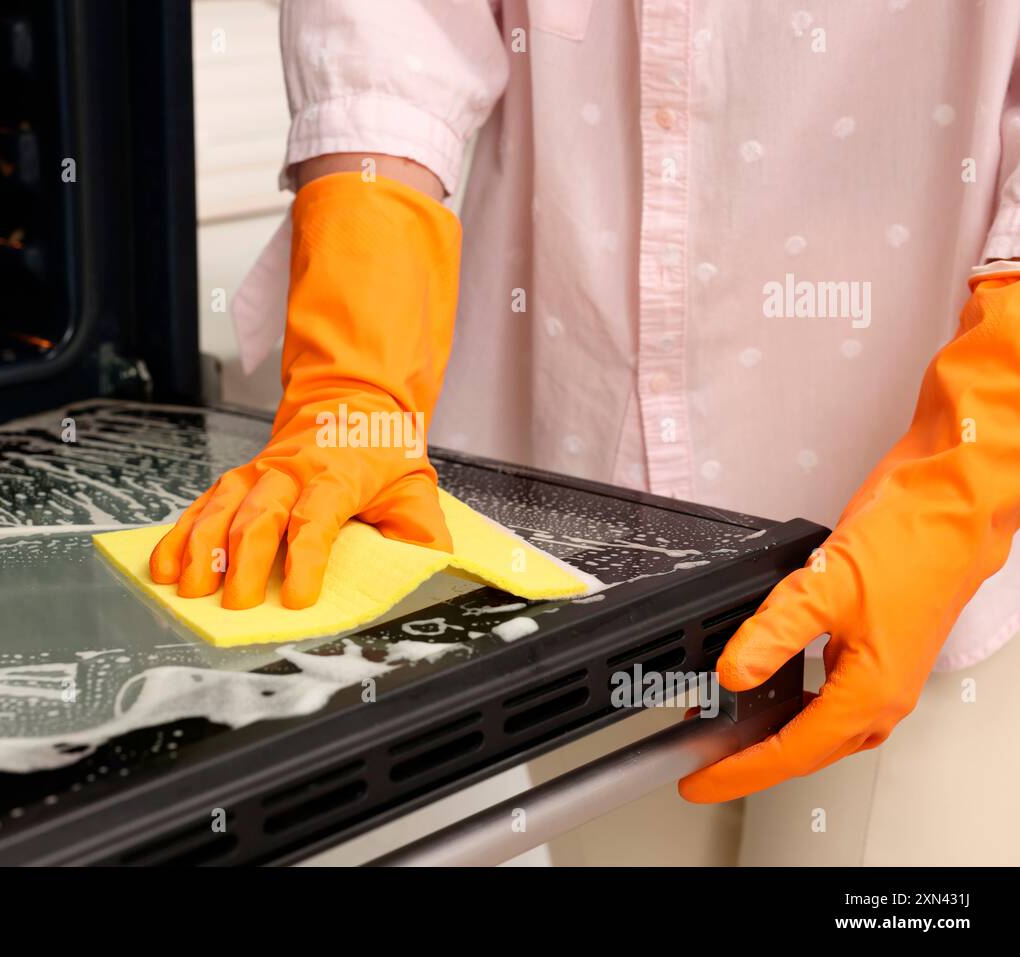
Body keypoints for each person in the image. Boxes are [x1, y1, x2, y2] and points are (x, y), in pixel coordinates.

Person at [153, 1, 1020, 863]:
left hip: (923, 579)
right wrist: (357, 375)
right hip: (587, 559)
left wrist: (961, 487)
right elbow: (392, 25)